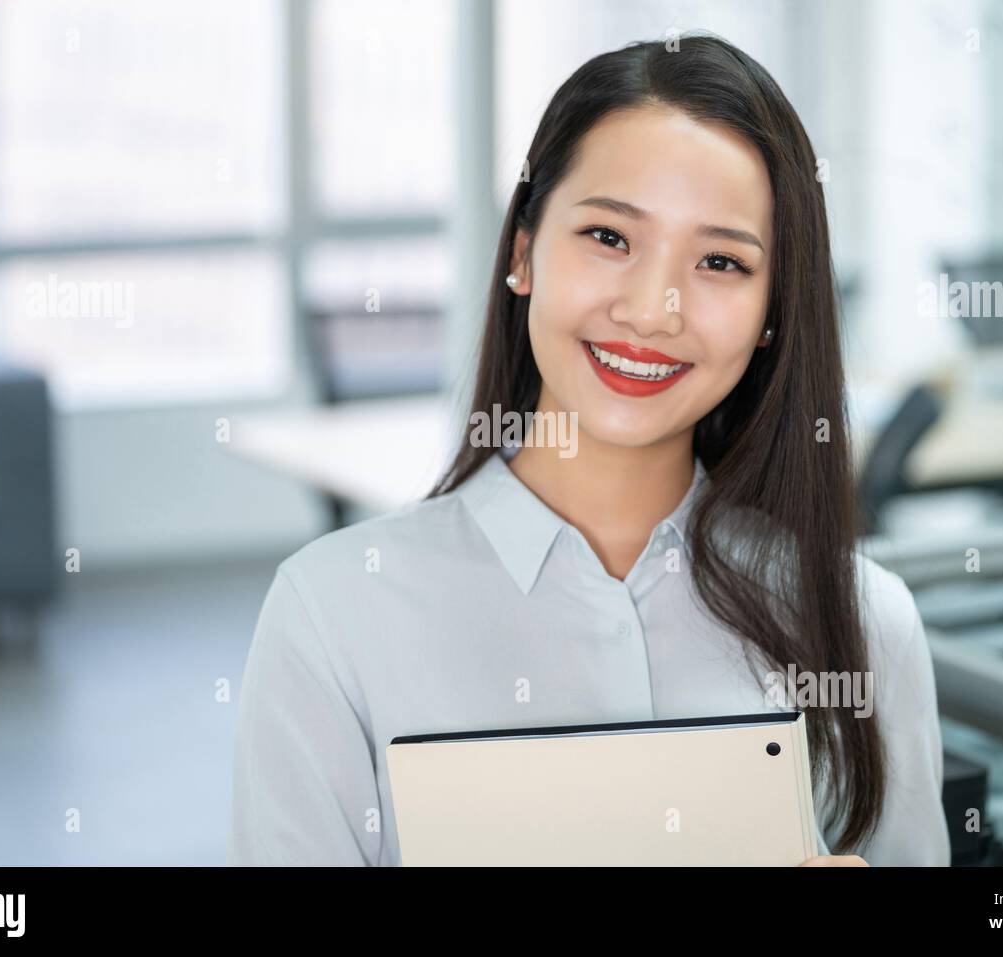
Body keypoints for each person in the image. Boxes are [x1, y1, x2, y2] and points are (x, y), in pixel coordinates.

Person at [228, 32, 949, 867]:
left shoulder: (867, 624)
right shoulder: (331, 616)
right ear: (524, 252)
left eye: (720, 260)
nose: (654, 309)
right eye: (610, 237)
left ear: (772, 317)